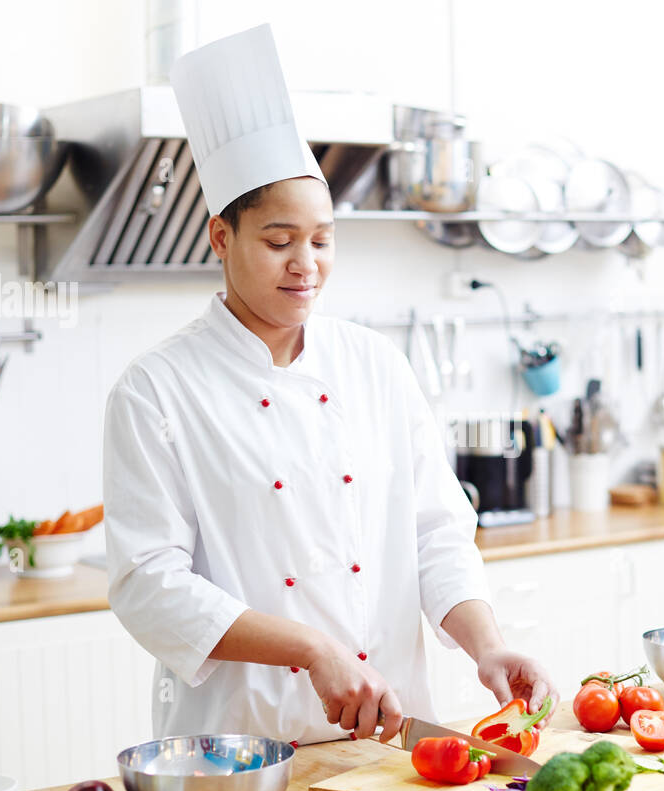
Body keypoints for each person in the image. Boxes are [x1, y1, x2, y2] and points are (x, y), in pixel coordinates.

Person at [102, 24, 555, 747]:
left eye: (322, 239)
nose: (305, 264)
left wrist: (485, 644)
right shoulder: (157, 390)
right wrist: (312, 650)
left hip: (394, 744)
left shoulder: (375, 366)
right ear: (222, 238)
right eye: (279, 241)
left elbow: (437, 531)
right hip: (241, 755)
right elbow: (147, 585)